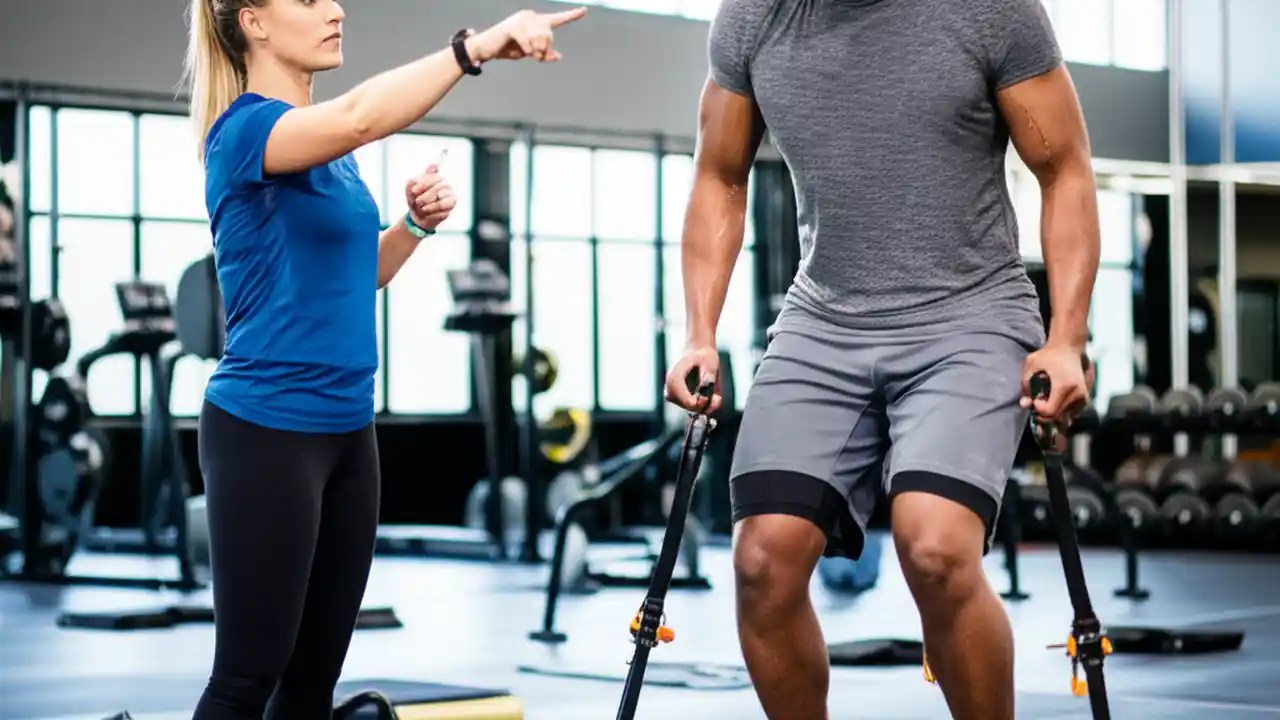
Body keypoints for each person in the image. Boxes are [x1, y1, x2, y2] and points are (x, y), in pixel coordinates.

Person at [663, 1, 1099, 718]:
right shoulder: (751, 17)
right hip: (824, 318)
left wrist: (1067, 339)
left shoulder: (989, 10)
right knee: (761, 562)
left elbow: (1065, 169)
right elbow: (719, 175)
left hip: (969, 314)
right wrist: (699, 333)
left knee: (934, 549)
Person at [182, 1, 586, 717]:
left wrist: (413, 227)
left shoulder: (332, 159)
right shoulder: (244, 132)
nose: (336, 8)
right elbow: (364, 114)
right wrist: (477, 47)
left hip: (348, 434)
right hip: (266, 432)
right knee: (247, 678)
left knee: (310, 684)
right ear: (255, 22)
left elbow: (356, 271)